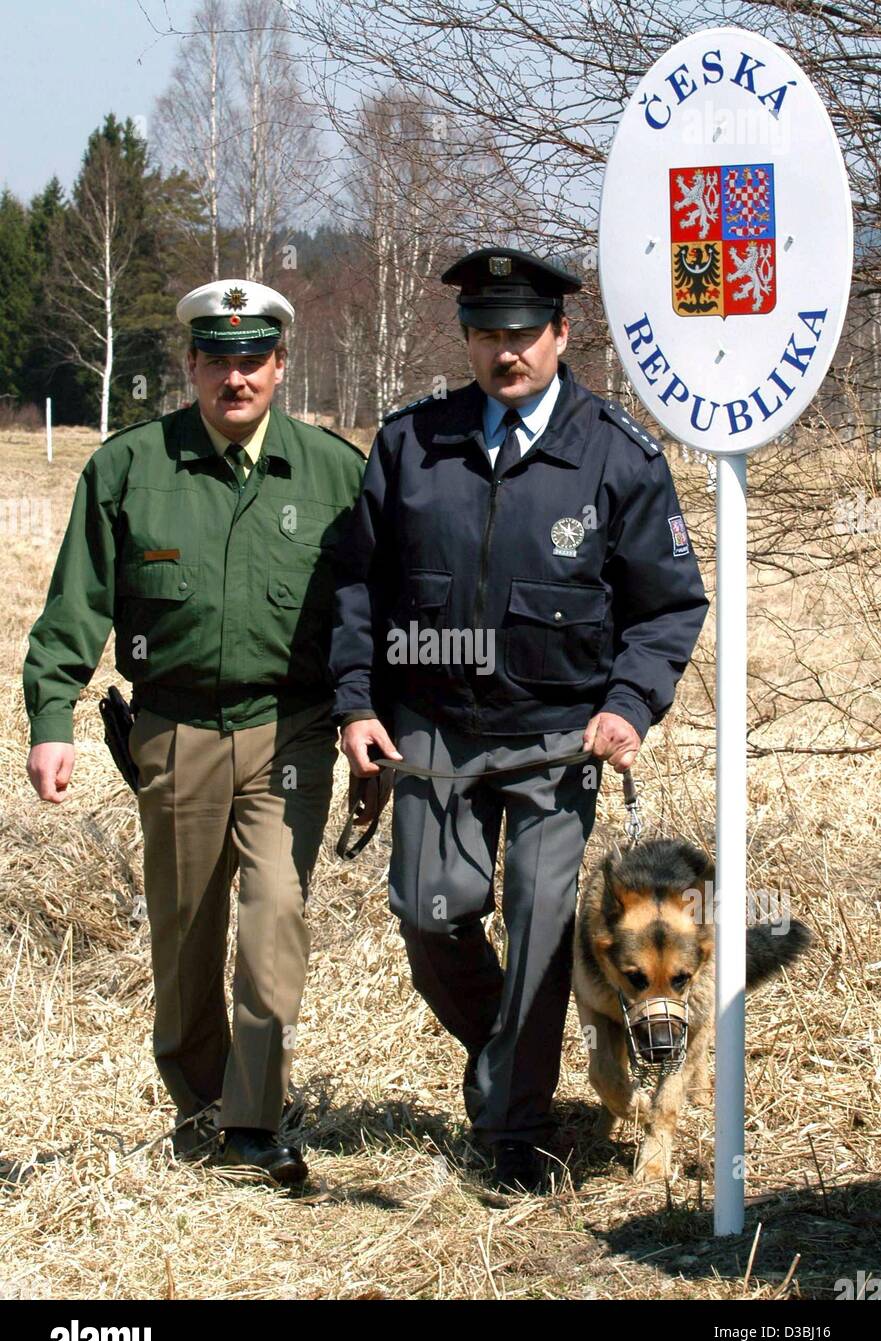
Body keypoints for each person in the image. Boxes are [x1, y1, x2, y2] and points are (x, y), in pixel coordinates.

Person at [330, 247, 709, 1192]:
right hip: (434, 734)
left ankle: (516, 1134)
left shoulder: (614, 455)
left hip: (555, 738)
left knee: (543, 933)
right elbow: (354, 586)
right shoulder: (412, 444)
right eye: (485, 333)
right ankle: (511, 1052)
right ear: (466, 338)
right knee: (430, 916)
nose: (504, 353)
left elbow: (667, 604)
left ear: (560, 335)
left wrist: (627, 705)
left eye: (521, 333)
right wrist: (354, 704)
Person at [23, 278, 365, 1182]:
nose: (235, 378)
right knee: (184, 933)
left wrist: (379, 728)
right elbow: (77, 603)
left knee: (274, 920)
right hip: (173, 735)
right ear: (191, 365)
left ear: (281, 366)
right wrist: (50, 716)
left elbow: (374, 614)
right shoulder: (130, 467)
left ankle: (253, 1123)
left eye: (253, 359)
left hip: (289, 730)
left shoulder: (335, 472)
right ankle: (202, 1102)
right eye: (217, 359)